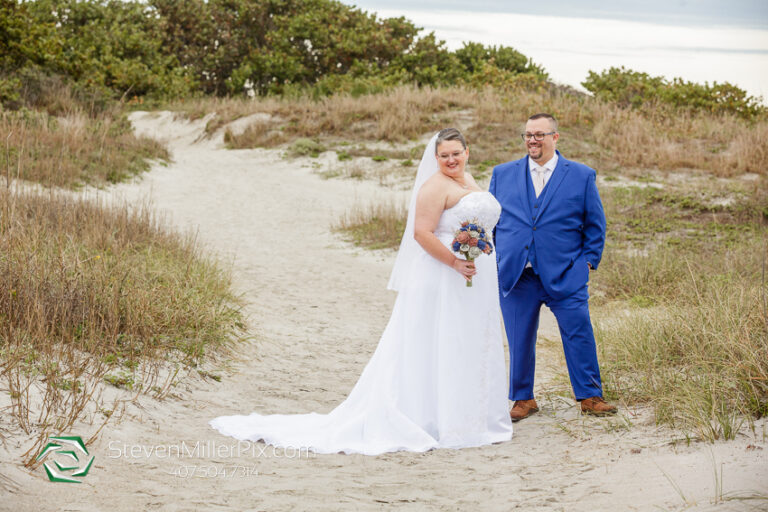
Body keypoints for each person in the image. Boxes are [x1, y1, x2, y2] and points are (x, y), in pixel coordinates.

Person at [210, 128, 513, 454]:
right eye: (444, 155)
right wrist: (454, 262)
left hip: (474, 278)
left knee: (469, 340)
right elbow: (422, 234)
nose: (451, 160)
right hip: (443, 275)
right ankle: (439, 420)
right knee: (442, 340)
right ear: (435, 158)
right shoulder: (434, 186)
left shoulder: (468, 180)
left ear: (467, 152)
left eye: (456, 153)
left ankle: (473, 416)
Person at [489, 113, 617, 421]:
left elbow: (595, 224)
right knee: (519, 337)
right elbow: (491, 220)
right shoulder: (503, 173)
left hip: (565, 272)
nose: (532, 140)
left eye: (539, 134)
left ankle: (589, 396)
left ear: (555, 137)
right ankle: (523, 399)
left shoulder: (581, 175)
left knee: (579, 332)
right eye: (528, 135)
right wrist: (498, 255)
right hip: (518, 274)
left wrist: (587, 262)